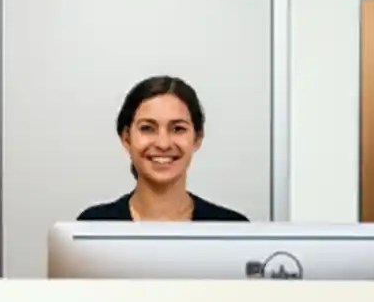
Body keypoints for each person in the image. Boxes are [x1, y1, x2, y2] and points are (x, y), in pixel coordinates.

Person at [78, 75, 248, 222]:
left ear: (197, 138)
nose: (163, 144)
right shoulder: (93, 225)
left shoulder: (232, 228)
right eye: (147, 128)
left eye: (178, 129)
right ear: (126, 138)